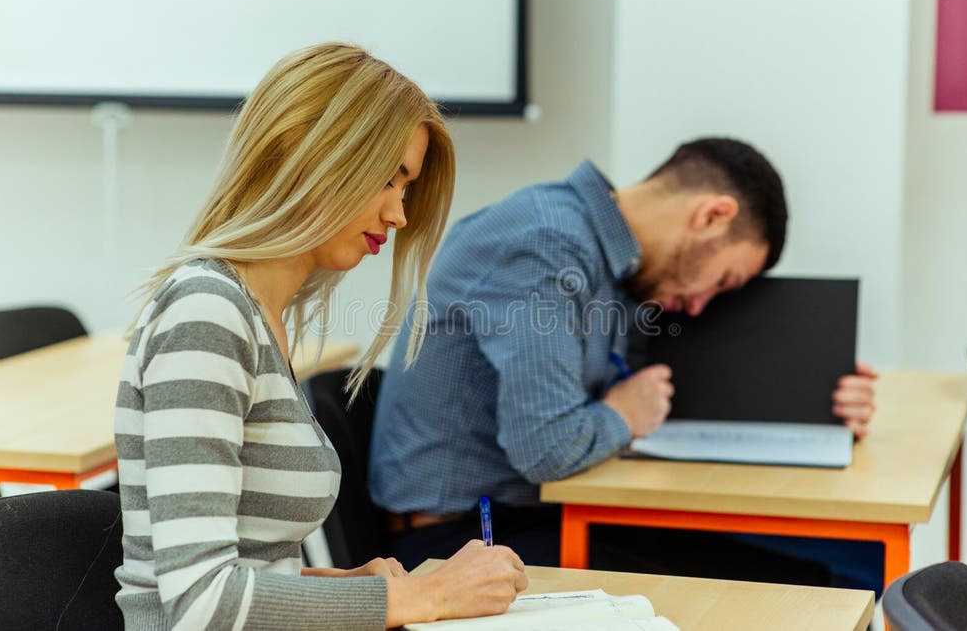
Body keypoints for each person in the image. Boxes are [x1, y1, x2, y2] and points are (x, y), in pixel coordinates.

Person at [112, 43, 527, 631]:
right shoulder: (207, 315)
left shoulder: (259, 317)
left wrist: (341, 586)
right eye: (389, 179)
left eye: (405, 189)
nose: (399, 215)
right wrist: (426, 597)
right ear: (305, 153)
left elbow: (243, 567)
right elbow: (203, 605)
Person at [368, 138, 882, 593]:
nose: (702, 305)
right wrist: (623, 415)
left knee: (844, 563)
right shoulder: (546, 244)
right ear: (711, 216)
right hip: (460, 544)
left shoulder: (612, 260)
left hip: (537, 515)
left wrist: (817, 392)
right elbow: (546, 448)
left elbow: (668, 375)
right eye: (721, 282)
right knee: (810, 584)